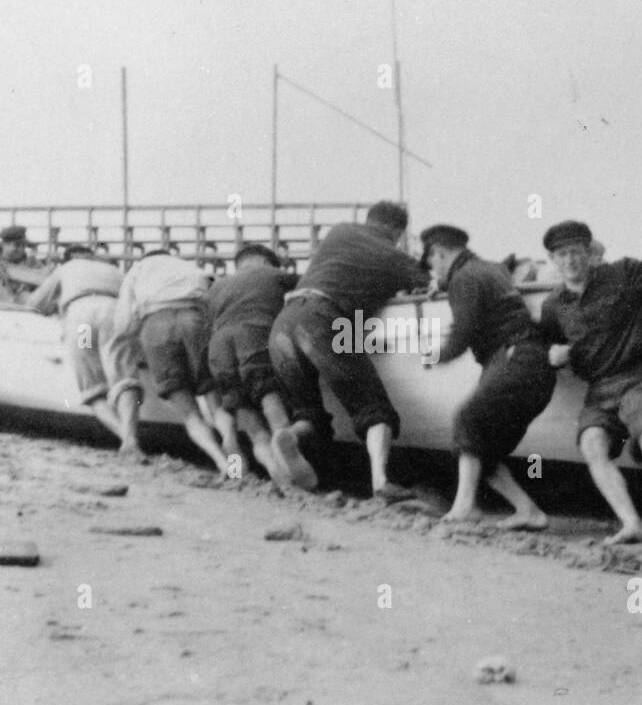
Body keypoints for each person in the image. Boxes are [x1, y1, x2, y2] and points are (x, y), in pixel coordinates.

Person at [539, 220, 642, 547]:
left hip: (639, 378)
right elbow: (546, 342)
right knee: (591, 444)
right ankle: (632, 524)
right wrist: (553, 354)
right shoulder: (553, 304)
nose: (570, 260)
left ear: (589, 253)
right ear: (552, 260)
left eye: (576, 252)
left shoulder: (623, 273)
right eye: (562, 254)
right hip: (599, 388)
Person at [267, 200, 431, 501]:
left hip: (283, 321)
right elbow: (428, 282)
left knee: (311, 414)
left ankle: (287, 435)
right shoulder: (394, 255)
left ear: (368, 219)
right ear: (397, 231)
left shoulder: (339, 232)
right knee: (374, 410)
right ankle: (381, 481)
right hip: (325, 320)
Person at [423, 225, 556, 529]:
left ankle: (465, 507)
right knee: (481, 448)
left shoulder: (463, 278)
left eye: (432, 261)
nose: (433, 267)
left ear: (440, 253)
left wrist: (433, 356)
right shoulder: (491, 268)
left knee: (468, 421)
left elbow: (462, 333)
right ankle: (529, 511)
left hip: (513, 357)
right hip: (531, 363)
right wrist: (444, 284)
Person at [114, 246, 231, 474]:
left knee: (190, 415)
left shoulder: (137, 270)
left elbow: (123, 325)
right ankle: (232, 448)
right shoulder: (190, 268)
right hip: (194, 319)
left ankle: (221, 462)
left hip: (156, 325)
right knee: (217, 407)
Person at [204, 243, 305, 485]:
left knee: (250, 425)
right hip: (253, 334)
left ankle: (246, 466)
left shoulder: (217, 287)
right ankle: (285, 462)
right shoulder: (275, 275)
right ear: (265, 261)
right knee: (267, 395)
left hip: (219, 346)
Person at [28, 245, 143, 454]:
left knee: (92, 385)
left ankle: (125, 438)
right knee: (125, 378)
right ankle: (131, 436)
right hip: (115, 314)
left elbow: (36, 304)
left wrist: (54, 305)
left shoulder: (68, 267)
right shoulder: (116, 271)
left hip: (82, 318)